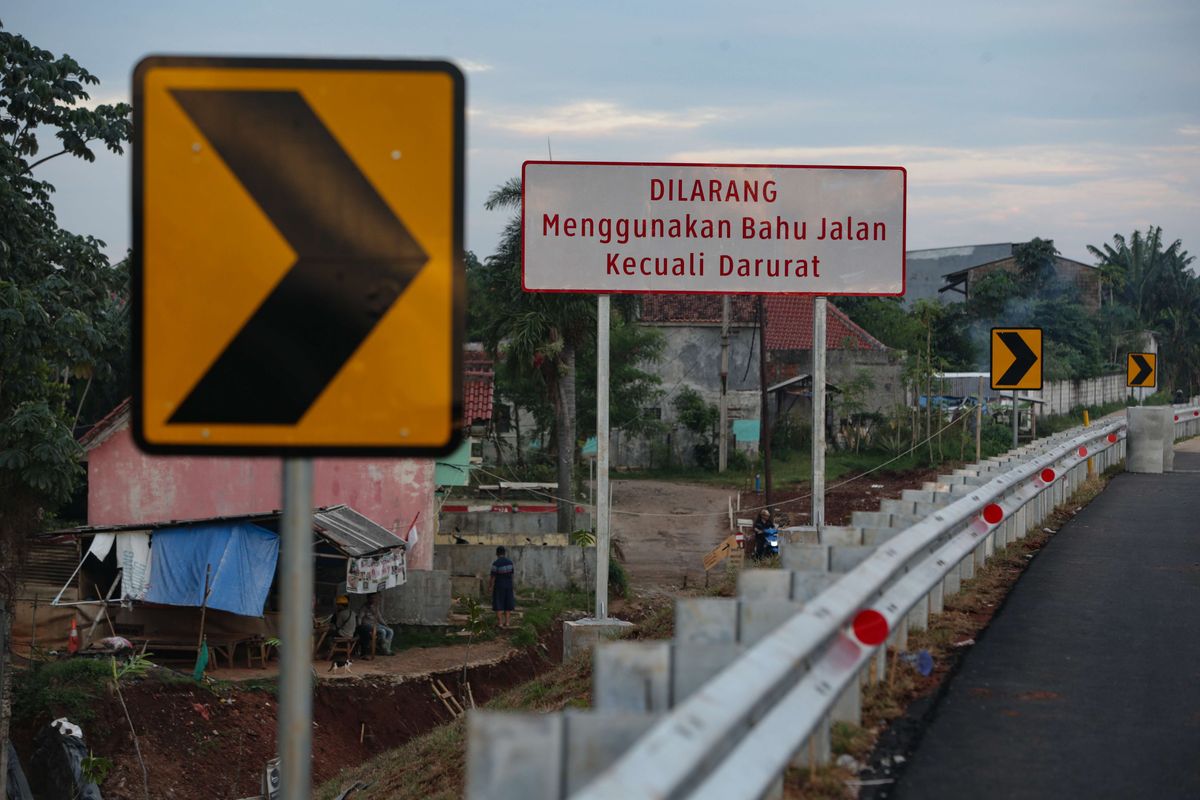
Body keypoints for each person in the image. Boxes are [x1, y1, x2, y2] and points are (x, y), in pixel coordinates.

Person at [489, 546, 516, 628]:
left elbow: (493, 577)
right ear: (504, 553)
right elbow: (511, 574)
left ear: (497, 553)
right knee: (508, 603)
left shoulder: (496, 563)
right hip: (509, 585)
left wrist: (490, 586)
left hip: (499, 586)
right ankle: (507, 622)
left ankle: (500, 623)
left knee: (498, 603)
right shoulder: (510, 563)